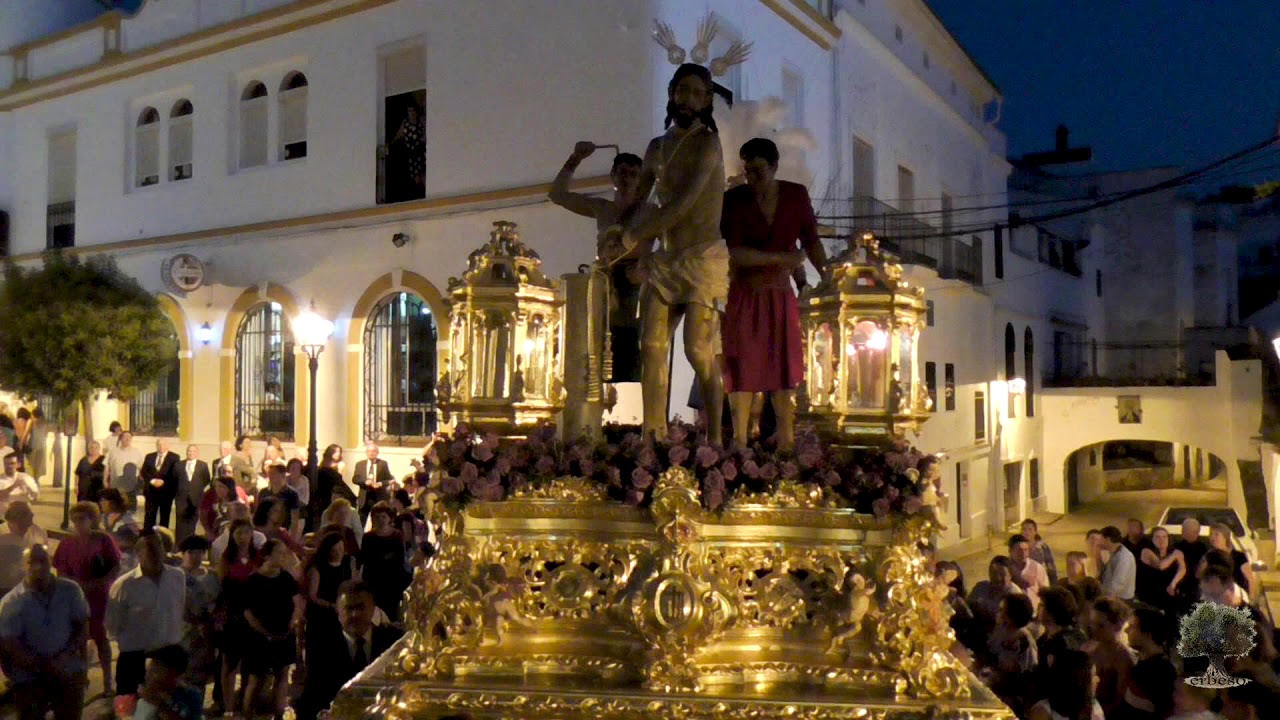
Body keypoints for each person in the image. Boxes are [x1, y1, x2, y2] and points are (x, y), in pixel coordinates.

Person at [613, 62, 731, 443]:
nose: (688, 99)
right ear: (671, 94)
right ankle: (653, 436)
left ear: (707, 100)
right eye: (682, 91)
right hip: (666, 259)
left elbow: (680, 205)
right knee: (650, 344)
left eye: (697, 93)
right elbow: (643, 203)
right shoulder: (656, 147)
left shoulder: (707, 143)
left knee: (698, 350)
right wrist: (618, 233)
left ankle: (715, 438)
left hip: (702, 259)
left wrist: (631, 238)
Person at [719, 137, 826, 450]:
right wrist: (782, 258)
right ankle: (738, 441)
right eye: (748, 171)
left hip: (779, 295)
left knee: (783, 370)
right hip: (745, 294)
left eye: (759, 171)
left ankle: (787, 440)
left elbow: (811, 240)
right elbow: (733, 253)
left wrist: (830, 276)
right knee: (741, 366)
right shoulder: (735, 200)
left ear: (775, 166)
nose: (752, 178)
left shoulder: (795, 196)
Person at [550, 144, 651, 383]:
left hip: (636, 280)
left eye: (633, 173)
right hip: (605, 280)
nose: (626, 178)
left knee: (632, 341)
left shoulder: (650, 211)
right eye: (622, 172)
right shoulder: (602, 208)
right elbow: (557, 195)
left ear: (639, 178)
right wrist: (575, 158)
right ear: (613, 176)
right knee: (596, 339)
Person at [0, 545, 91, 720]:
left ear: (51, 562)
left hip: (68, 670)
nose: (38, 567)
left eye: (43, 560)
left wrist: (67, 660)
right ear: (22, 566)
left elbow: (82, 626)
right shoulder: (11, 602)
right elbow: (9, 645)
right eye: (31, 562)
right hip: (29, 677)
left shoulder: (71, 590)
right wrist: (44, 667)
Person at [296, 581, 403, 720]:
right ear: (338, 612)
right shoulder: (322, 646)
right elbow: (312, 696)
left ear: (373, 609)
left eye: (360, 607)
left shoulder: (393, 641)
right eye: (349, 608)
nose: (355, 615)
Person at [107, 528, 186, 697]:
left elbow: (178, 608)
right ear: (138, 553)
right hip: (135, 656)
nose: (155, 553)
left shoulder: (177, 577)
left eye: (158, 548)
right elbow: (113, 625)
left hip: (167, 655)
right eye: (149, 549)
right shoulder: (124, 585)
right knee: (128, 706)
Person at [241, 539, 302, 720]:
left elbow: (297, 602)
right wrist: (263, 632)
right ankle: (248, 715)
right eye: (279, 552)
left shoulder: (285, 578)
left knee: (282, 674)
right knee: (256, 678)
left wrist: (292, 621)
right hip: (260, 636)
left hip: (284, 633)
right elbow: (248, 611)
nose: (284, 556)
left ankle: (278, 714)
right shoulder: (254, 580)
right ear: (267, 555)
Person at [215, 519, 259, 717]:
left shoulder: (257, 557)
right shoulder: (227, 558)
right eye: (239, 533)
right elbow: (223, 587)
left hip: (253, 614)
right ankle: (228, 707)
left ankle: (246, 703)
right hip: (233, 615)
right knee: (229, 663)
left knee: (251, 664)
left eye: (246, 532)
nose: (243, 537)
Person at [302, 531, 357, 676]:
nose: (338, 553)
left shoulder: (347, 563)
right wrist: (331, 605)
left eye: (341, 549)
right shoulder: (317, 568)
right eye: (334, 550)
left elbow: (353, 584)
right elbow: (313, 596)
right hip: (322, 614)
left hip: (341, 612)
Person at [979, 593, 1038, 714]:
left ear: (1010, 617)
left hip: (1013, 694)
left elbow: (1012, 673)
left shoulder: (1022, 639)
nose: (997, 612)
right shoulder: (1001, 631)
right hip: (996, 681)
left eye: (1001, 610)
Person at [177, 536, 219, 693]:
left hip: (207, 634)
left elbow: (219, 600)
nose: (196, 556)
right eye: (191, 552)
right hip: (184, 633)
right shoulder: (176, 576)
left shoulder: (212, 576)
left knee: (202, 675)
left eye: (200, 552)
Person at [1084, 596, 1137, 718]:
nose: (1094, 629)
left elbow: (1119, 701)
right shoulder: (1088, 649)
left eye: (1101, 625)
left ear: (1118, 626)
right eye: (1092, 623)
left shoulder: (1123, 658)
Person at [360, 502, 410, 621]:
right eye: (377, 517)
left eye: (383, 517)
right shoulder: (368, 537)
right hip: (374, 580)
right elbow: (365, 559)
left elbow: (399, 558)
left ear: (389, 518)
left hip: (392, 580)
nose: (380, 520)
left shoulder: (397, 535)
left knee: (391, 613)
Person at [1028, 648, 1105, 720]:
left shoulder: (1094, 707)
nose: (1098, 679)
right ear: (1079, 681)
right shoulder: (1042, 712)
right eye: (1093, 675)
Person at [135, 644, 204, 720]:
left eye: (156, 669)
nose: (148, 675)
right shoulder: (145, 698)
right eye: (149, 669)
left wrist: (159, 704)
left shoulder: (190, 696)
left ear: (173, 672)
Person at [967, 556, 1025, 638]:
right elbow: (967, 606)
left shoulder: (1015, 598)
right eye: (994, 573)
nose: (997, 577)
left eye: (1002, 574)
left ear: (1010, 575)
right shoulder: (981, 587)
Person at [0, 502, 49, 596]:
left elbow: (44, 558)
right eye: (22, 525)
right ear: (13, 520)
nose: (26, 528)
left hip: (30, 587)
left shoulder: (38, 532)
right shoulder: (1, 534)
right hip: (4, 586)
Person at [1198, 522, 1257, 600]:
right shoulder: (1209, 556)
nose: (1212, 537)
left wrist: (1251, 599)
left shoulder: (1238, 556)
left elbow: (1250, 579)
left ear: (1225, 537)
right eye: (1211, 534)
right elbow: (1200, 576)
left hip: (1236, 598)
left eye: (1216, 534)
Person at [1137, 526, 1186, 613]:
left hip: (1169, 592)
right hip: (1151, 592)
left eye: (1164, 537)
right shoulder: (1146, 552)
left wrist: (1173, 584)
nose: (1162, 540)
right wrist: (1174, 556)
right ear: (1152, 539)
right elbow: (1161, 566)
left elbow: (1182, 569)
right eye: (1157, 537)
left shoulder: (1175, 552)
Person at [174, 444, 211, 545]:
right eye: (189, 451)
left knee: (192, 522)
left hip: (196, 499)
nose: (191, 453)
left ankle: (189, 544)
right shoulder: (179, 465)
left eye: (193, 451)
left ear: (197, 453)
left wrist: (196, 489)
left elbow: (206, 480)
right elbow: (174, 480)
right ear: (186, 452)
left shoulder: (202, 465)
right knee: (180, 524)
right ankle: (179, 545)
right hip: (181, 499)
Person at [389, 100, 425, 200]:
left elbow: (425, 134)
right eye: (409, 111)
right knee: (412, 176)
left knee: (420, 175)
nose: (411, 113)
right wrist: (391, 143)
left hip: (419, 153)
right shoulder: (405, 122)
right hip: (410, 154)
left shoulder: (421, 121)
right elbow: (399, 134)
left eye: (413, 110)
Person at [100, 487, 142, 572]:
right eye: (101, 500)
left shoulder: (128, 520)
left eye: (104, 500)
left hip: (125, 561)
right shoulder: (102, 518)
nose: (101, 503)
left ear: (112, 502)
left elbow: (135, 540)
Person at [353, 442, 395, 525]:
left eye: (373, 451)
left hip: (378, 497)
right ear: (366, 452)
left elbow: (389, 479)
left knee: (377, 521)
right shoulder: (360, 464)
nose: (371, 453)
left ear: (377, 452)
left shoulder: (383, 464)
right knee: (361, 522)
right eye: (369, 451)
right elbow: (355, 478)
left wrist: (380, 484)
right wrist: (365, 482)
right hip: (365, 497)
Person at [142, 438, 180, 529]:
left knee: (165, 517)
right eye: (159, 444)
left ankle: (163, 538)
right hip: (151, 493)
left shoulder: (174, 457)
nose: (161, 446)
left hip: (166, 493)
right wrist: (152, 481)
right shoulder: (149, 456)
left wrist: (163, 482)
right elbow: (144, 471)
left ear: (168, 446)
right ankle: (148, 538)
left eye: (163, 444)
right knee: (149, 516)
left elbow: (175, 474)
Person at [258, 462, 302, 539]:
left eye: (274, 473)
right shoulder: (263, 493)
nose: (270, 476)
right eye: (270, 473)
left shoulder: (291, 494)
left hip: (283, 531)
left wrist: (292, 537)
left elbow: (294, 518)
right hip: (265, 532)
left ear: (282, 475)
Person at [1009, 534, 1051, 610]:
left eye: (1026, 550)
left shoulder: (1037, 568)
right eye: (1019, 550)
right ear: (1010, 551)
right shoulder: (1005, 569)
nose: (1023, 554)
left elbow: (1046, 593)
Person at [314, 444, 355, 519]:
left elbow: (338, 479)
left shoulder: (340, 465)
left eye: (339, 452)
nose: (338, 454)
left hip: (334, 488)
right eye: (336, 452)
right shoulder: (324, 465)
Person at [1173, 518, 1209, 604]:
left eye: (1194, 531)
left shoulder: (1204, 548)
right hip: (1178, 588)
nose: (1190, 534)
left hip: (1197, 589)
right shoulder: (1175, 547)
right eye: (1187, 530)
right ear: (1182, 531)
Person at [106, 431, 145, 510]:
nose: (127, 439)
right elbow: (107, 467)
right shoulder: (113, 451)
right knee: (116, 507)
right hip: (116, 484)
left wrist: (143, 481)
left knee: (131, 508)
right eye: (125, 437)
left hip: (132, 484)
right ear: (120, 438)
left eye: (129, 437)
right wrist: (105, 480)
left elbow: (141, 468)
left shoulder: (137, 452)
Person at [1098, 525, 1137, 601]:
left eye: (1101, 539)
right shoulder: (1114, 552)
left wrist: (1108, 598)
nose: (1100, 542)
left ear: (1108, 539)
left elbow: (1119, 581)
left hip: (1120, 599)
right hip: (1114, 596)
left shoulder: (1124, 557)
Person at [1020, 519, 1058, 584]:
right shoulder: (1018, 547)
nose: (1027, 532)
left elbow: (1051, 567)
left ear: (1035, 532)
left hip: (1042, 581)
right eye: (1024, 529)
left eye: (1030, 530)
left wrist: (1054, 583)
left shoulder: (1043, 547)